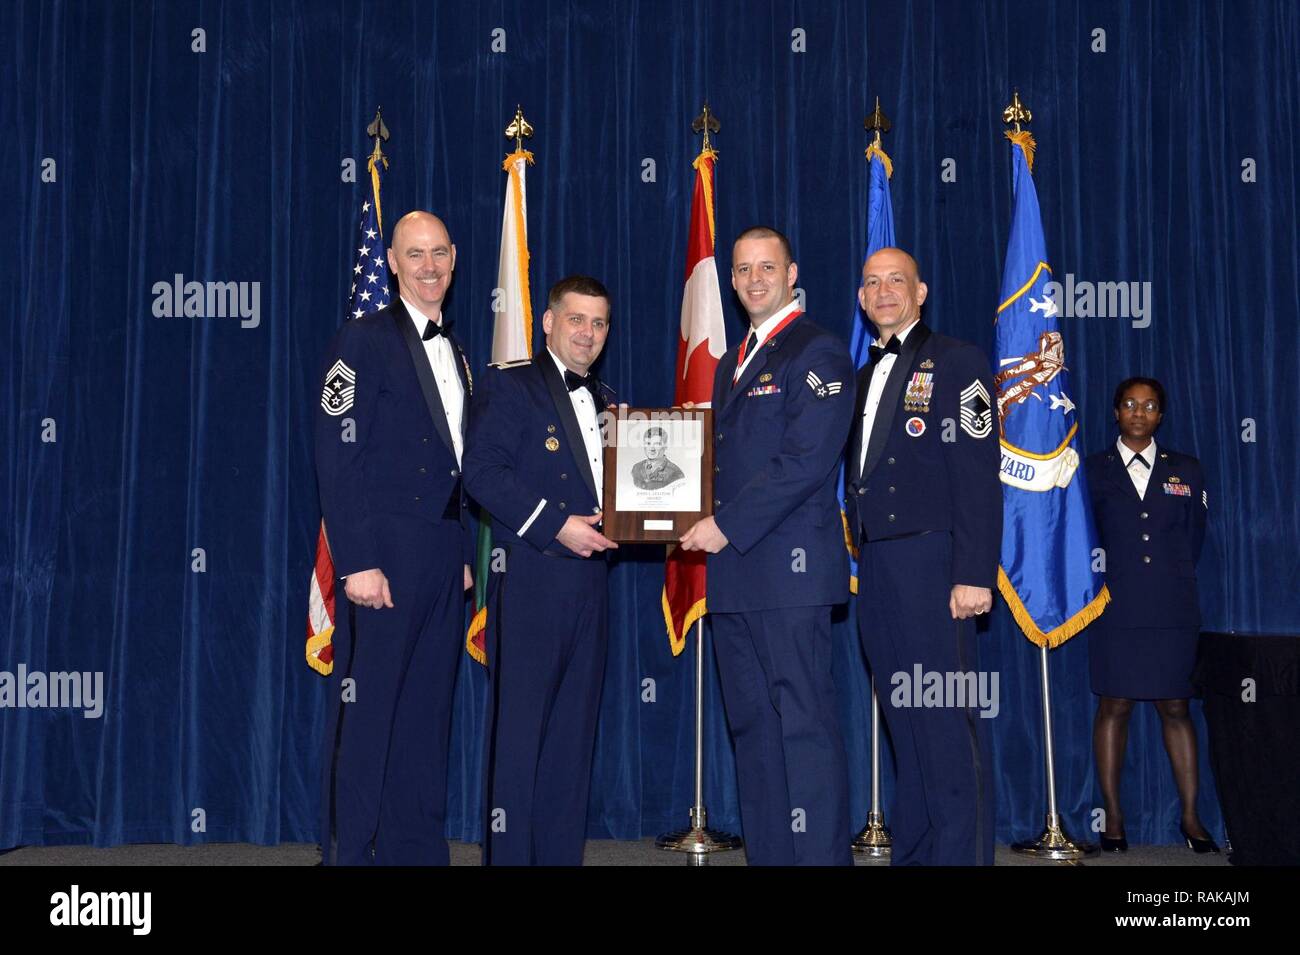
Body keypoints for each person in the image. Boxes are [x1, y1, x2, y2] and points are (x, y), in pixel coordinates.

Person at [680, 226, 855, 866]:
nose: (754, 279)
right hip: (735, 577)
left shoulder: (819, 350)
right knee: (752, 729)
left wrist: (722, 527)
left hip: (790, 575)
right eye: (743, 270)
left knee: (803, 728)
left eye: (767, 267)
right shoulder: (732, 361)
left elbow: (805, 461)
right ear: (731, 280)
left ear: (791, 272)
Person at [314, 210, 474, 865]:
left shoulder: (458, 349)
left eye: (439, 252)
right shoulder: (361, 339)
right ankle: (349, 854)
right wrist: (356, 561)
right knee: (368, 717)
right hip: (382, 559)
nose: (429, 265)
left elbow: (462, 459)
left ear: (455, 257)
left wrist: (464, 553)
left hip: (442, 558)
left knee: (426, 717)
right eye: (415, 253)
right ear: (392, 262)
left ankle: (415, 850)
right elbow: (335, 450)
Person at [843, 247, 1001, 866]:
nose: (885, 292)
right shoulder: (860, 377)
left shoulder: (959, 361)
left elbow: (979, 473)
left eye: (897, 281)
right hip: (878, 568)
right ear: (861, 298)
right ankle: (917, 853)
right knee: (905, 725)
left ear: (921, 289)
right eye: (873, 283)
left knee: (945, 724)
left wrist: (973, 574)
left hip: (938, 567)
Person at [463, 275, 619, 866]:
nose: (588, 333)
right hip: (528, 579)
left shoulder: (609, 400)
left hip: (591, 586)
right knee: (519, 740)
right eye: (576, 319)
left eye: (599, 323)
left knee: (571, 744)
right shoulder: (510, 386)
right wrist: (556, 523)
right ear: (548, 323)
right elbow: (481, 472)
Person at [1086, 377, 1218, 853]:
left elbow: (1194, 537)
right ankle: (1114, 819)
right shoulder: (1092, 469)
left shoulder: (1187, 468)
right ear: (1116, 412)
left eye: (1149, 406)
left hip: (1171, 606)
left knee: (1176, 707)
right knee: (1114, 705)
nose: (1138, 413)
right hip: (1113, 606)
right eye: (1129, 404)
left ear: (1161, 415)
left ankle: (1189, 817)